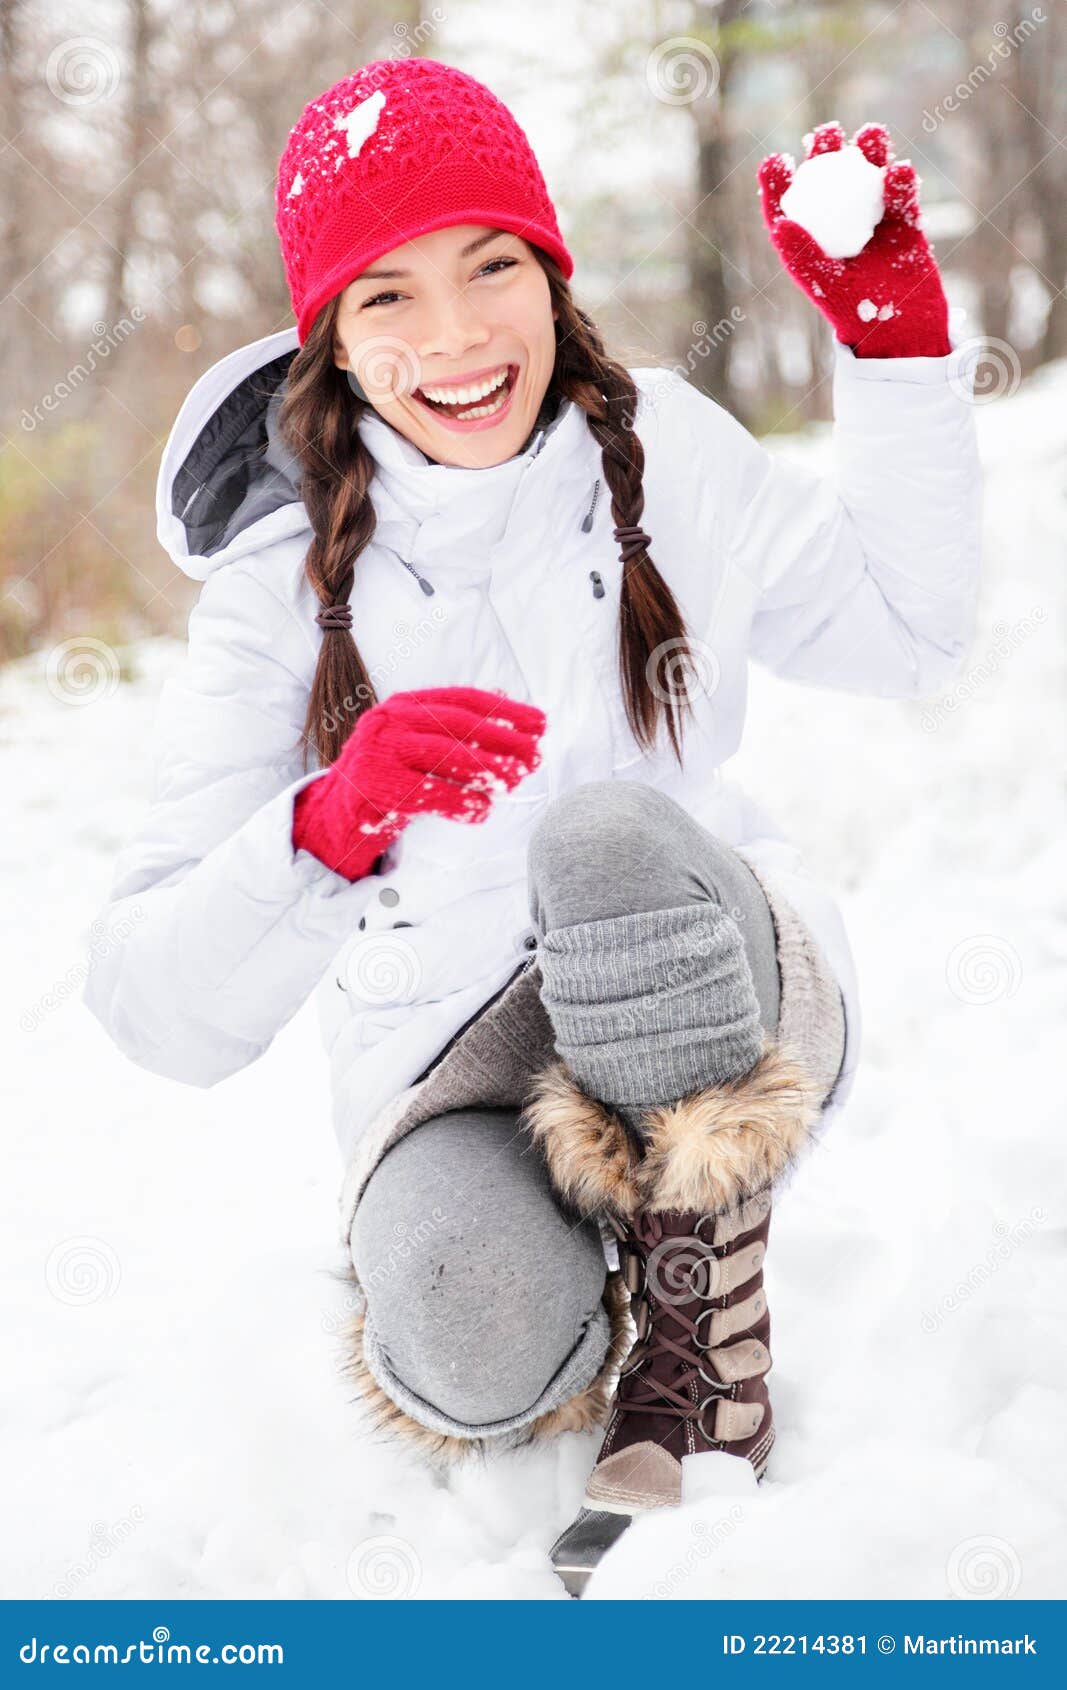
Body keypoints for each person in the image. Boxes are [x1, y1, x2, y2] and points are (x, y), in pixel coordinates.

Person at [83, 58, 982, 1595]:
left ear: (553, 277)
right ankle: (573, 1281)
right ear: (332, 338)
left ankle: (703, 1328)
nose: (455, 337)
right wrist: (329, 821)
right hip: (453, 1051)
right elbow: (149, 998)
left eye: (493, 265)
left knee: (605, 838)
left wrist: (892, 350)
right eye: (389, 296)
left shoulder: (672, 451)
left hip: (717, 987)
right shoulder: (273, 589)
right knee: (469, 1335)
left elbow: (912, 633)